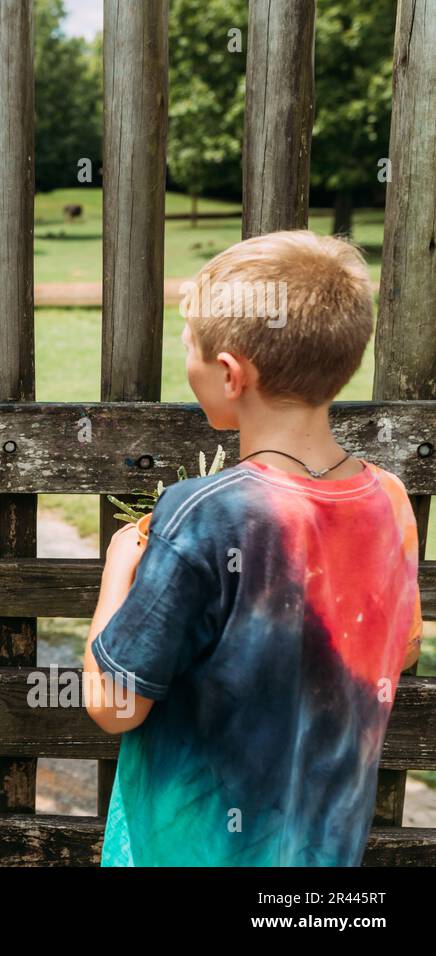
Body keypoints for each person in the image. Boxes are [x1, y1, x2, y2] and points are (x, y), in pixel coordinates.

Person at [84, 230, 424, 866]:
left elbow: (114, 705)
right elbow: (402, 648)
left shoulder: (203, 512)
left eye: (189, 347)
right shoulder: (391, 499)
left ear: (230, 373)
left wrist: (117, 569)